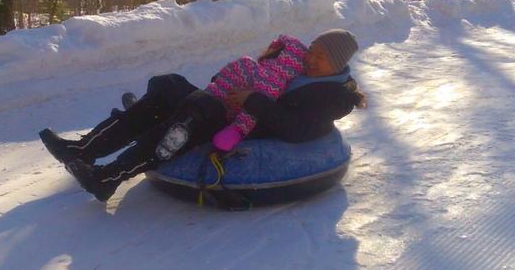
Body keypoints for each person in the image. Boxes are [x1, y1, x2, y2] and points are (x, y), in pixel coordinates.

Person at [40, 31, 362, 202]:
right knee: (169, 86)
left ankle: (109, 178)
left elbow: (296, 129)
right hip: (234, 103)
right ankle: (84, 150)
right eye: (312, 51)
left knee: (192, 113)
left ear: (336, 64)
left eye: (321, 57)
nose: (311, 59)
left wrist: (253, 99)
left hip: (245, 126)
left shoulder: (331, 98)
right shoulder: (300, 67)